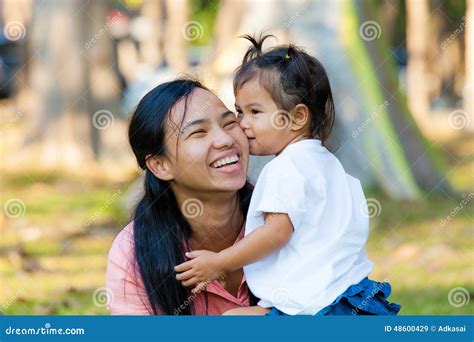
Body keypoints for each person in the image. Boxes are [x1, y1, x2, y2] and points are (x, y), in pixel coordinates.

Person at [174, 35, 401, 316]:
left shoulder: (286, 168)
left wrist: (221, 262)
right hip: (351, 296)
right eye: (239, 111)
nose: (242, 124)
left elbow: (277, 232)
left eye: (254, 112)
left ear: (297, 118)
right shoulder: (328, 165)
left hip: (316, 308)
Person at [106, 78, 257, 315]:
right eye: (199, 132)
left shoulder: (287, 218)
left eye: (229, 123)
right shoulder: (136, 251)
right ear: (160, 165)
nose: (226, 140)